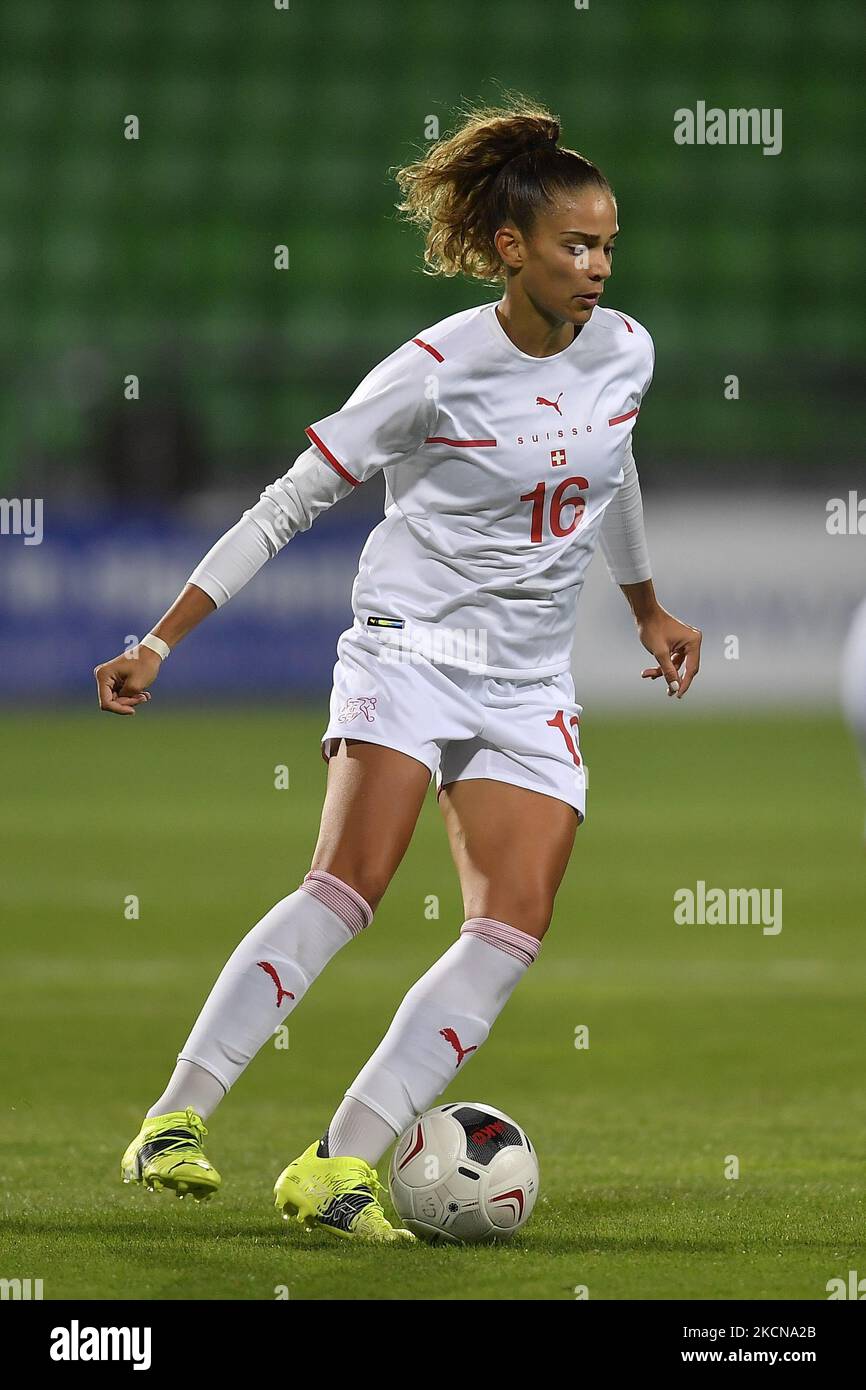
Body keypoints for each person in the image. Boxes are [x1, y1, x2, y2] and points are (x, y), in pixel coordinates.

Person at [94, 98, 702, 1244]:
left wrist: (644, 607)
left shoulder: (626, 350)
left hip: (525, 681)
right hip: (411, 646)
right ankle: (174, 1119)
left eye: (609, 243)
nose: (598, 266)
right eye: (576, 244)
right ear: (511, 248)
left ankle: (337, 1165)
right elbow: (288, 503)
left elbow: (609, 476)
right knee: (349, 884)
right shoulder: (429, 371)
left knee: (509, 929)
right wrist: (160, 639)